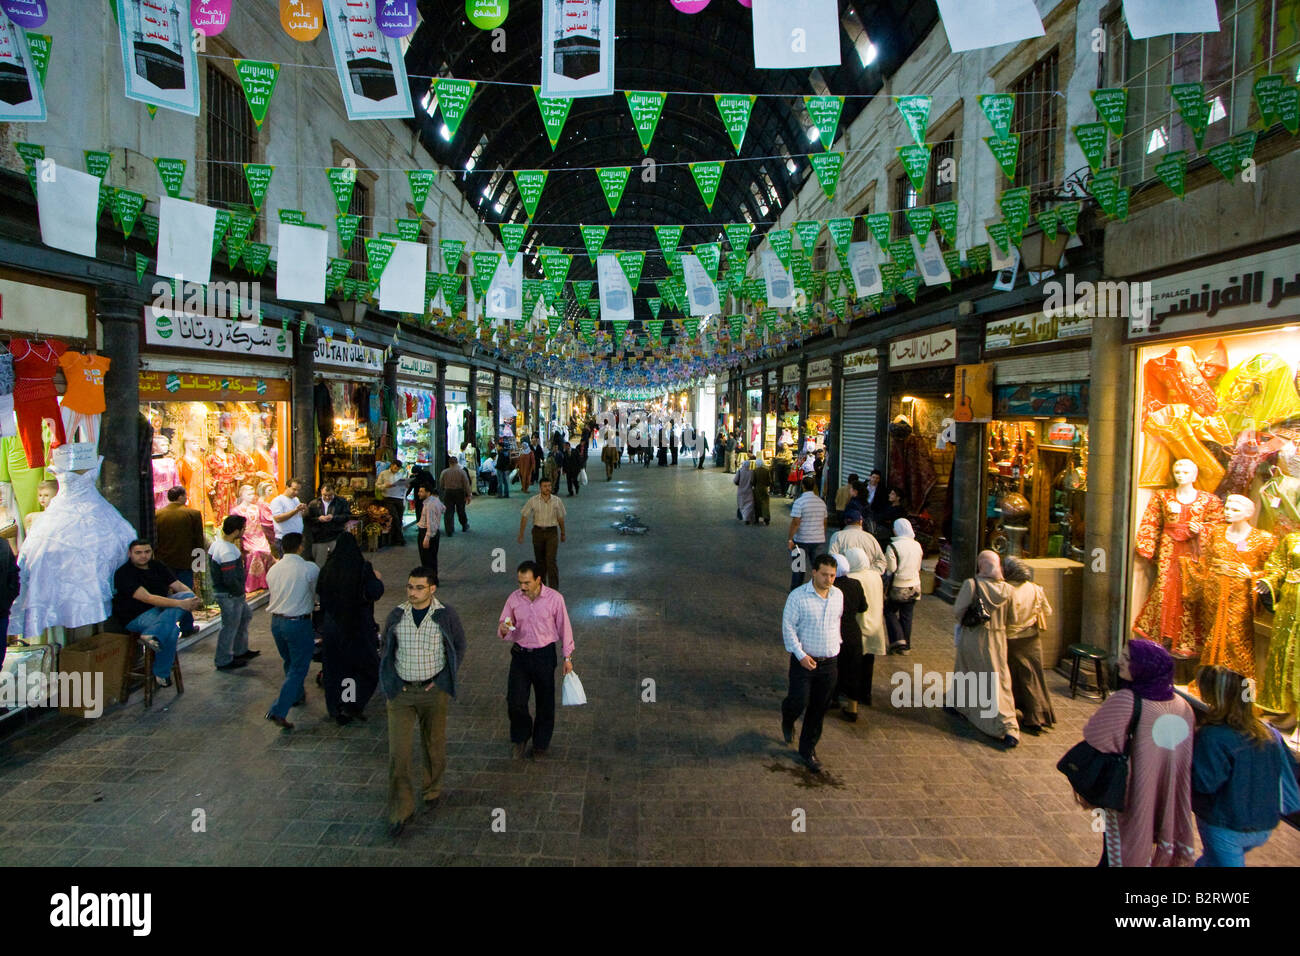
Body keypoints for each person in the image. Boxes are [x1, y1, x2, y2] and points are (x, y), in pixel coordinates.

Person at [1081, 639, 1196, 867]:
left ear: (1145, 667)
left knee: (1120, 849)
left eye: (1127, 659)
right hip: (1168, 792)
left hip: (1132, 792)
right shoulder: (1185, 708)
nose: (1120, 662)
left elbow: (1095, 735)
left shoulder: (1126, 701)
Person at [379, 566, 468, 837]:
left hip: (433, 693)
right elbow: (386, 650)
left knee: (433, 744)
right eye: (410, 587)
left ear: (432, 589)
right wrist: (392, 682)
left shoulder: (445, 615)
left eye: (419, 587)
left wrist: (442, 679)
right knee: (399, 754)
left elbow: (459, 646)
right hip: (402, 695)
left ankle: (432, 788)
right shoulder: (397, 615)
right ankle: (400, 810)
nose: (413, 593)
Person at [1191, 664, 1300, 866]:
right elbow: (1288, 769)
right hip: (1264, 824)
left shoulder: (1213, 736)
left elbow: (1205, 783)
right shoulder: (1269, 732)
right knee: (1211, 861)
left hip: (1226, 826)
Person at [497, 560, 575, 760]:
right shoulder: (514, 599)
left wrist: (567, 657)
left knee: (545, 702)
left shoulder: (555, 599)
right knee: (515, 701)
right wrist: (504, 629)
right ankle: (521, 736)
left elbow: (564, 627)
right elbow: (505, 622)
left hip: (544, 656)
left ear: (538, 580)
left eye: (527, 583)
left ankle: (541, 743)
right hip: (520, 655)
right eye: (520, 582)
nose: (522, 587)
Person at [780, 554, 843, 773]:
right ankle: (788, 716)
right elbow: (788, 628)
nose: (829, 579)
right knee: (799, 700)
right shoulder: (798, 597)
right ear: (814, 572)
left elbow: (837, 623)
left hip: (829, 664)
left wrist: (837, 646)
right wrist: (800, 654)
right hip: (803, 662)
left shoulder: (838, 596)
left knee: (818, 709)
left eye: (833, 575)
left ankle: (808, 750)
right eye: (825, 574)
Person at [950, 550, 1020, 747]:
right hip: (997, 639)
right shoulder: (1008, 590)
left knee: (967, 671)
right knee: (998, 679)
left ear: (981, 565)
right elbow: (1013, 619)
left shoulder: (972, 584)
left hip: (973, 637)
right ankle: (1005, 722)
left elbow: (958, 611)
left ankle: (1000, 724)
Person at [112, 540, 202, 689]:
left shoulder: (157, 566)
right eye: (138, 553)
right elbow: (147, 598)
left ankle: (154, 633)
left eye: (147, 552)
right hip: (136, 615)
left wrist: (193, 599)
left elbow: (178, 586)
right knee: (172, 631)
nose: (143, 556)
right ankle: (161, 673)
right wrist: (181, 604)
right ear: (130, 554)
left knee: (184, 596)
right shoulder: (124, 573)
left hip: (160, 610)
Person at [318, 532, 384, 726]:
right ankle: (351, 703)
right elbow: (375, 591)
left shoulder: (327, 569)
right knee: (361, 668)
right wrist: (377, 580)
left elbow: (321, 594)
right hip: (356, 626)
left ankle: (336, 706)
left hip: (333, 627)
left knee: (335, 668)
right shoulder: (363, 568)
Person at [264, 532, 319, 731]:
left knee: (289, 661)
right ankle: (279, 709)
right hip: (297, 623)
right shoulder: (309, 568)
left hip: (276, 623)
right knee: (298, 667)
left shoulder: (273, 569)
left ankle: (296, 695)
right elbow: (315, 591)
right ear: (300, 547)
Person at [1001, 557, 1057, 731]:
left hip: (1011, 639)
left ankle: (1024, 713)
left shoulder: (1006, 590)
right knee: (1034, 675)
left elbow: (1007, 617)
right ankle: (1039, 713)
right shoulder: (1035, 588)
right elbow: (1047, 610)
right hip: (1032, 638)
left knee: (1015, 677)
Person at [153, 486, 204, 636]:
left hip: (163, 562)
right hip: (185, 561)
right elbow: (198, 541)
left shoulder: (158, 514)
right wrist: (199, 564)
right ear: (182, 497)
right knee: (186, 592)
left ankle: (164, 624)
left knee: (163, 594)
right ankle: (186, 626)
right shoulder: (192, 514)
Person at [208, 514, 256, 672]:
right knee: (230, 627)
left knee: (245, 617)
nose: (245, 530)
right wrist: (238, 592)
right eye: (243, 528)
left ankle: (240, 650)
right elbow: (229, 578)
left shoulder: (219, 545)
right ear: (236, 531)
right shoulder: (227, 551)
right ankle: (223, 660)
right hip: (229, 595)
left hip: (231, 594)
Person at [844, 546, 887, 710]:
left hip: (859, 624)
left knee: (853, 663)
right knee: (868, 661)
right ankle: (865, 694)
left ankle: (851, 694)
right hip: (875, 624)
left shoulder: (852, 577)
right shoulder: (876, 576)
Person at [830, 553, 868, 723]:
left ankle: (830, 699)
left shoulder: (830, 586)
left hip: (833, 632)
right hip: (852, 633)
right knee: (852, 670)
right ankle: (852, 709)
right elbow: (863, 607)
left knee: (832, 668)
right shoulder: (855, 584)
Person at [883, 519, 924, 654]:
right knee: (907, 615)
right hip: (915, 586)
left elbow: (891, 569)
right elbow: (918, 566)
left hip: (898, 587)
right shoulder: (917, 545)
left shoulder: (893, 547)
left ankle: (898, 639)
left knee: (889, 611)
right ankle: (906, 646)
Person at [518, 477, 566, 589]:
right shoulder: (533, 501)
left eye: (549, 486)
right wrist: (521, 533)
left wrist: (563, 532)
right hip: (538, 532)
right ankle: (542, 587)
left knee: (551, 561)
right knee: (540, 561)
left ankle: (554, 589)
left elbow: (560, 518)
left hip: (552, 532)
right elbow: (524, 516)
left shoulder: (557, 501)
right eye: (545, 486)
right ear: (540, 488)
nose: (547, 488)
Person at [787, 476, 828, 591]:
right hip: (818, 541)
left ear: (803, 487)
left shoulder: (799, 502)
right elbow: (824, 522)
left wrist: (790, 539)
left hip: (801, 540)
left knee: (798, 568)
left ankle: (795, 590)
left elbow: (796, 522)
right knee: (818, 567)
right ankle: (819, 589)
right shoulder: (821, 502)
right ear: (814, 486)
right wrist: (822, 535)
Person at [232, 484, 274, 592]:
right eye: (248, 494)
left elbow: (262, 523)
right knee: (255, 553)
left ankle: (265, 580)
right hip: (246, 537)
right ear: (242, 495)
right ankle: (253, 583)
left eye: (252, 494)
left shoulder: (256, 508)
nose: (251, 496)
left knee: (266, 551)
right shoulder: (236, 510)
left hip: (259, 536)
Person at [306, 483, 352, 567]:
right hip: (320, 537)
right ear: (321, 492)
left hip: (336, 535)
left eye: (330, 495)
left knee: (338, 562)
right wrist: (318, 519)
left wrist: (334, 517)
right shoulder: (314, 504)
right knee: (320, 563)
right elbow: (308, 520)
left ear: (334, 492)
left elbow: (347, 516)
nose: (327, 497)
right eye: (325, 495)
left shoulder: (341, 502)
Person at [828, 506, 886, 572]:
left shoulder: (837, 536)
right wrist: (871, 572)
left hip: (845, 578)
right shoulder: (870, 538)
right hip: (867, 578)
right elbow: (882, 561)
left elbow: (832, 559)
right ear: (861, 522)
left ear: (845, 522)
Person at [269, 478, 308, 559]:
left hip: (297, 537)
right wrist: (295, 510)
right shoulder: (278, 501)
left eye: (298, 490)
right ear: (287, 487)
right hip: (284, 538)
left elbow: (299, 516)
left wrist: (304, 510)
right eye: (294, 489)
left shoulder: (296, 500)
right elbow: (278, 518)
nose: (296, 492)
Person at [375, 459, 410, 547]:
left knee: (399, 518)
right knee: (395, 517)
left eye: (398, 467)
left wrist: (406, 486)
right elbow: (377, 485)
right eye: (394, 466)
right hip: (388, 498)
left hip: (399, 498)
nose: (396, 468)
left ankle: (395, 539)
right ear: (391, 465)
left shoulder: (400, 474)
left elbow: (403, 488)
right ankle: (400, 539)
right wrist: (385, 486)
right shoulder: (384, 473)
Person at [415, 484, 445, 582]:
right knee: (432, 558)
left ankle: (431, 580)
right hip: (434, 532)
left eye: (421, 491)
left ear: (428, 493)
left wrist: (427, 538)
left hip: (427, 532)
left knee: (427, 559)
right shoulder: (435, 500)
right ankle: (432, 578)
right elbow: (444, 508)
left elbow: (430, 523)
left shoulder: (429, 505)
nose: (419, 493)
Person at [437, 456, 471, 536]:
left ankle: (449, 530)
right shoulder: (462, 472)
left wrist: (442, 490)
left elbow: (441, 483)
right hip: (459, 492)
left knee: (448, 511)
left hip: (448, 492)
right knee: (461, 510)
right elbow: (466, 484)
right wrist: (468, 495)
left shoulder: (444, 472)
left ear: (449, 463)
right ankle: (464, 525)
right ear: (456, 462)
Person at [734, 456, 756, 524]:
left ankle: (743, 516)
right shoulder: (751, 472)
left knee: (741, 504)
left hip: (741, 491)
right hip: (749, 491)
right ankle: (747, 517)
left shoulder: (740, 471)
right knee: (749, 504)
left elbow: (735, 480)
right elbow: (752, 481)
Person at [752, 455, 772, 526]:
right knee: (765, 504)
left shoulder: (755, 471)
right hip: (764, 489)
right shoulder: (766, 471)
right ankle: (766, 519)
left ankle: (757, 518)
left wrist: (753, 486)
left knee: (757, 504)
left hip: (757, 489)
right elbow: (769, 481)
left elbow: (753, 481)